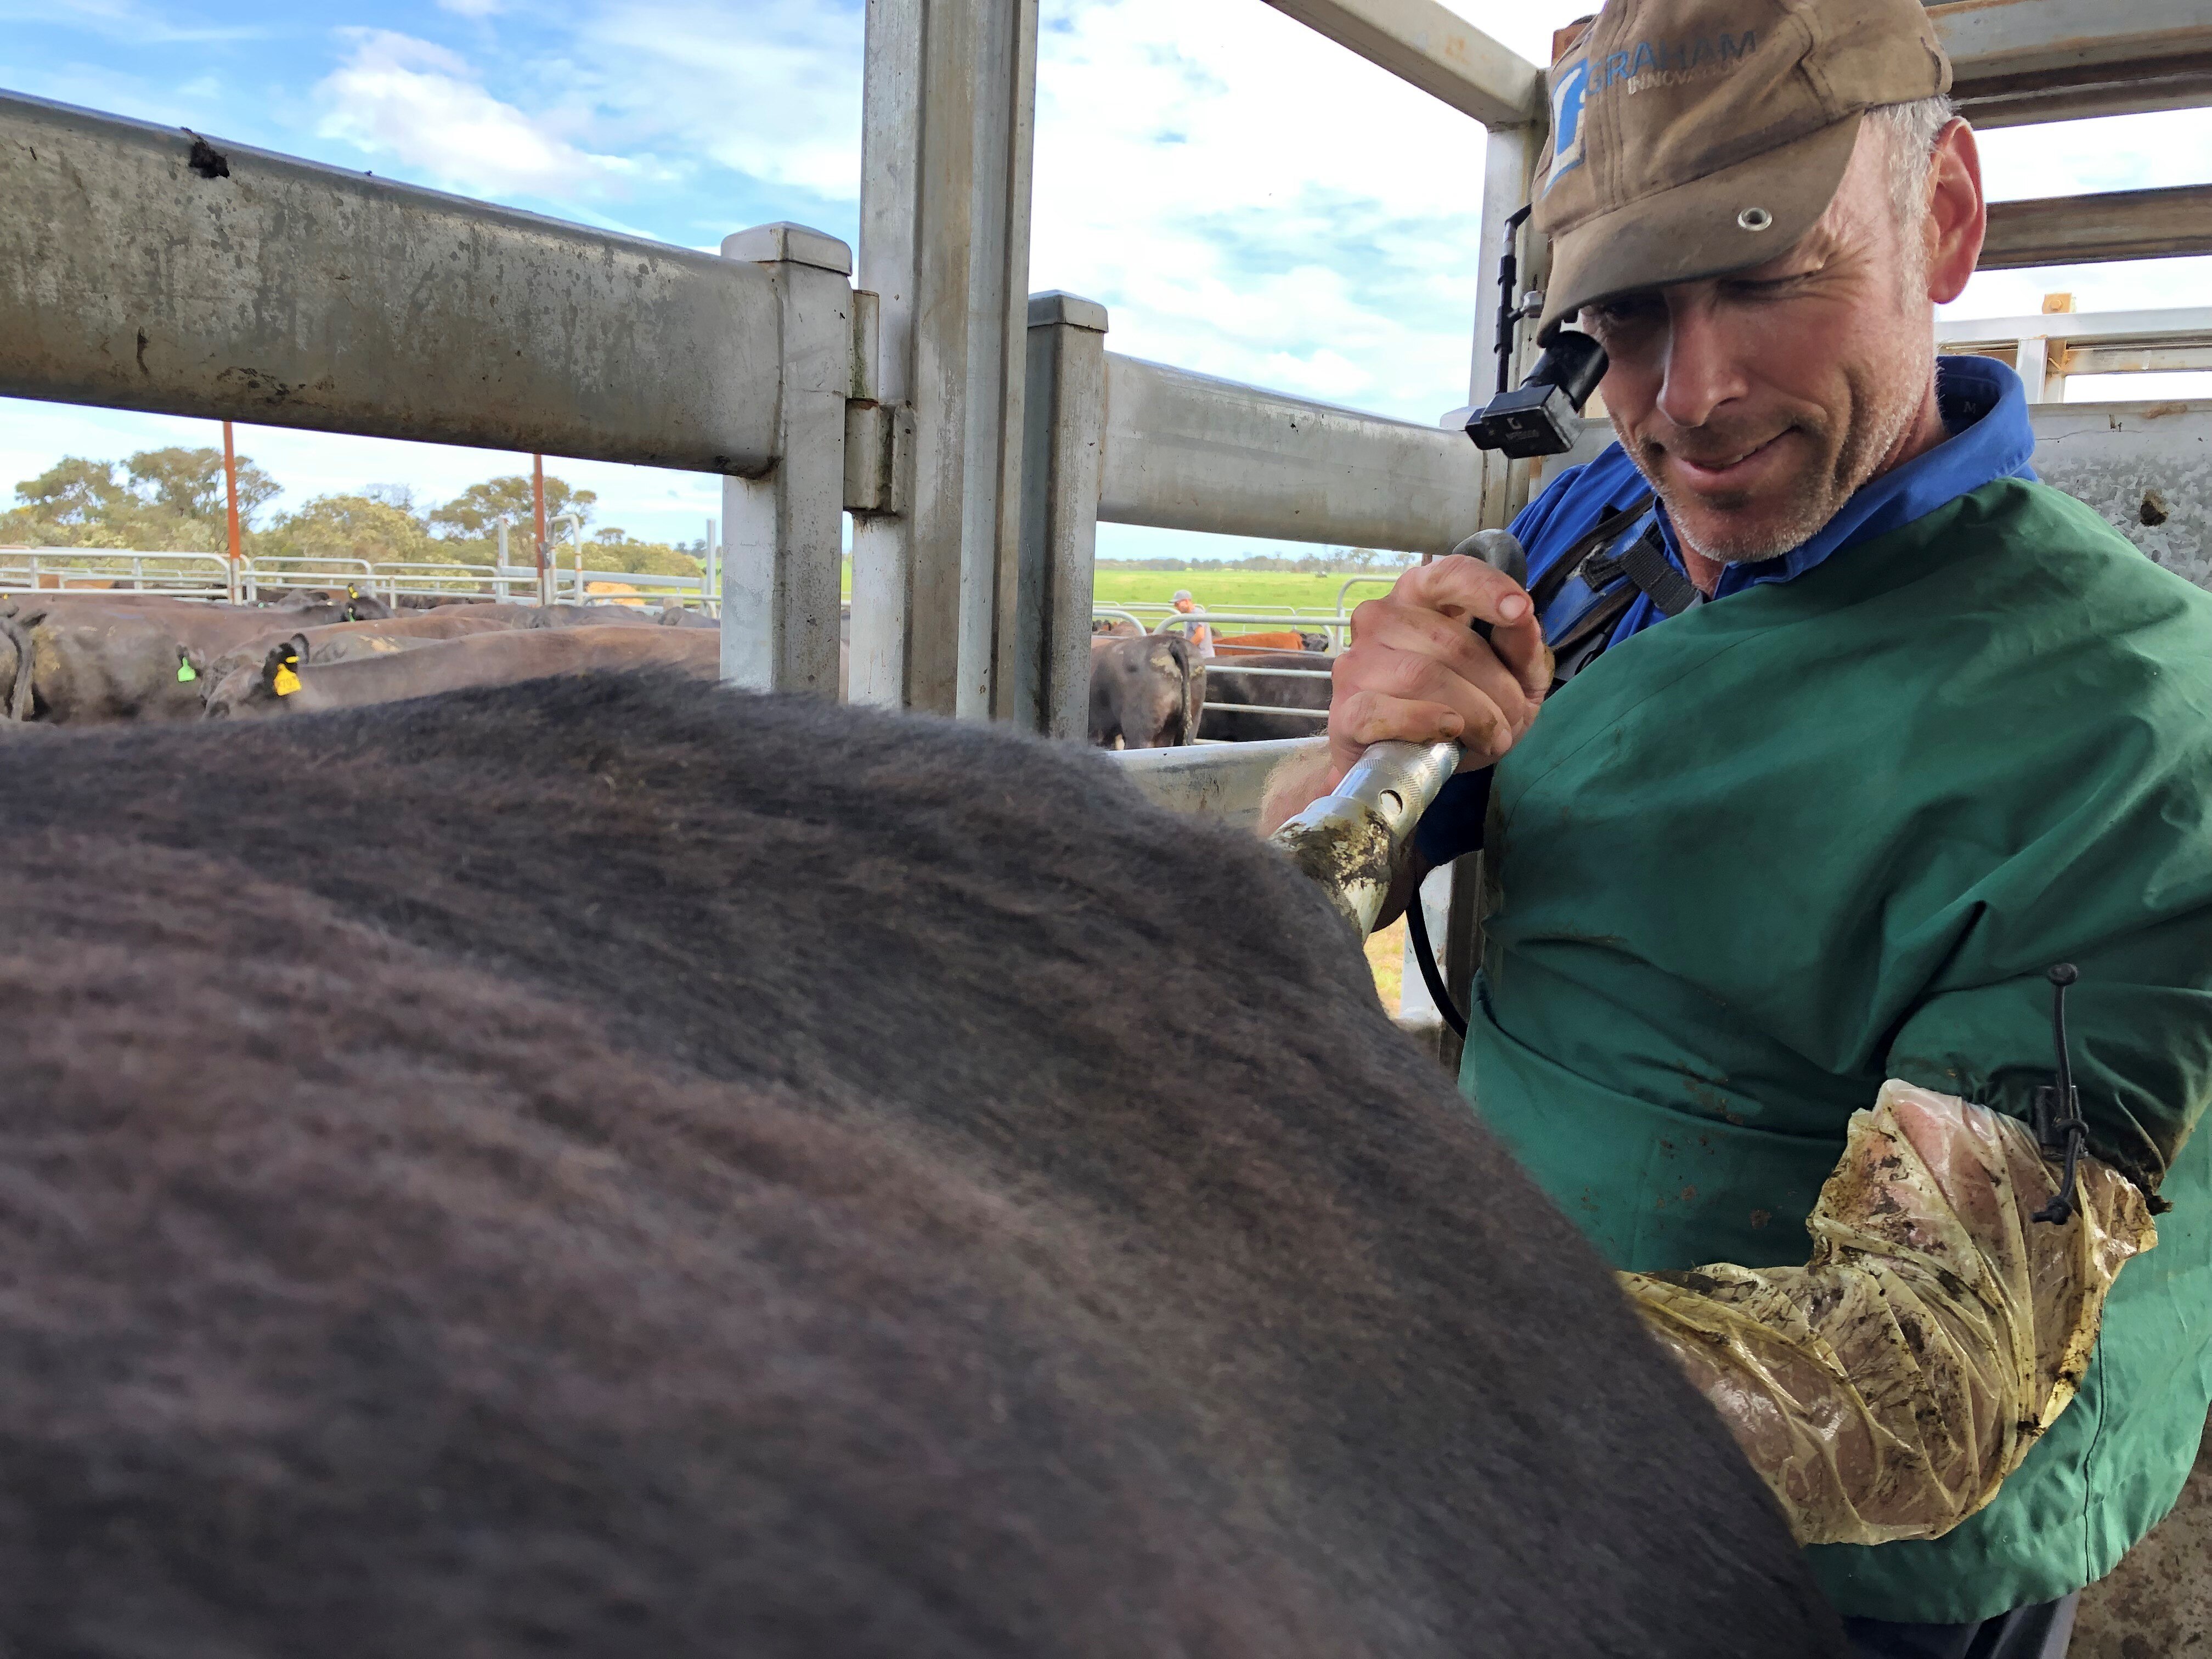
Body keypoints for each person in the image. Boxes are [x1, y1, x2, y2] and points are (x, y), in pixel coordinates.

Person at [1262, 1, 2212, 1653]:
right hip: (1511, 1477)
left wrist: (1347, 1347)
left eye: (1769, 276)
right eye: (1629, 312)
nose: (1692, 400)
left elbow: (1920, 1382)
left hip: (1827, 1580)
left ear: (1945, 218)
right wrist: (1359, 752)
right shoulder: (1604, 521)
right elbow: (1323, 867)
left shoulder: (2131, 734)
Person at [1161, 589, 1215, 657]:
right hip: (1199, 655)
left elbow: (1200, 635)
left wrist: (1185, 649)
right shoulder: (1192, 614)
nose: (1175, 606)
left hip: (1201, 656)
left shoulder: (1195, 614)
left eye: (1177, 603)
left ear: (1186, 601)